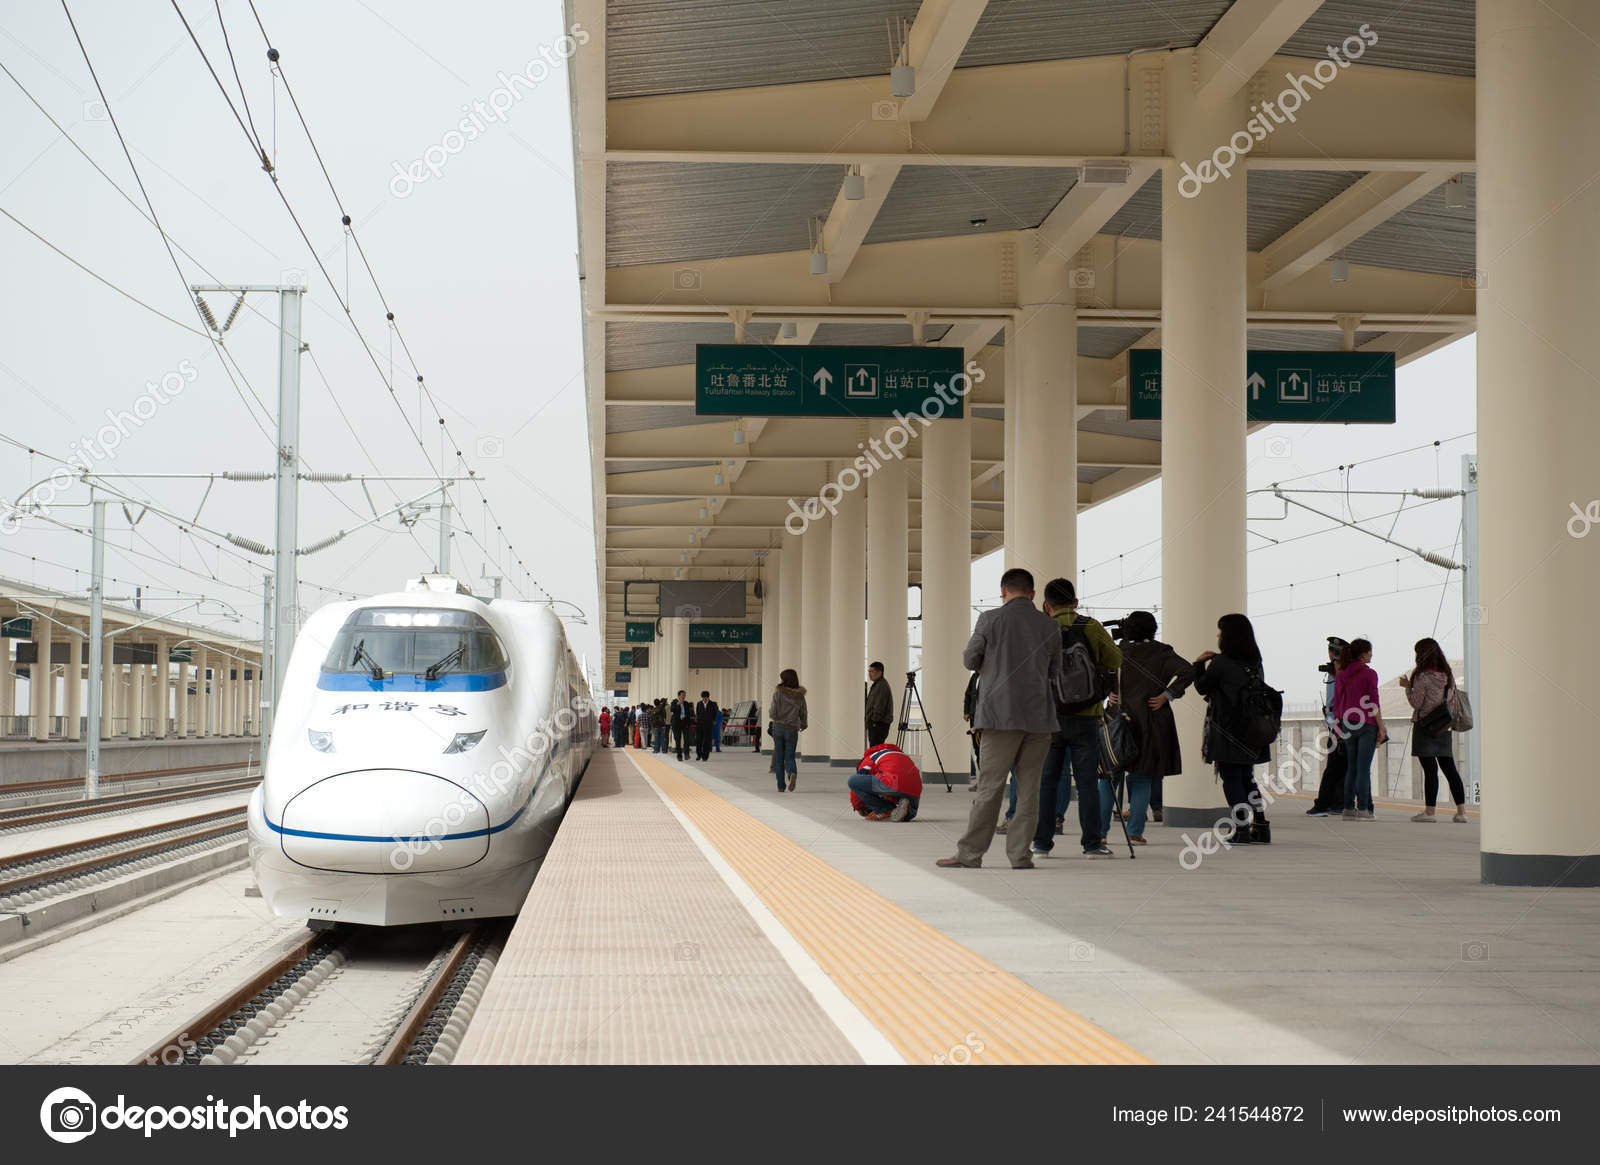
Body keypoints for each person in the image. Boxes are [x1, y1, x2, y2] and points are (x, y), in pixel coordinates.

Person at [938, 568, 1064, 870]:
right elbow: (1055, 670)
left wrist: (990, 667)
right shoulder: (1049, 625)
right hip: (1039, 717)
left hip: (998, 716)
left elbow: (970, 659)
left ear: (1003, 591)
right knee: (1029, 790)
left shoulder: (989, 619)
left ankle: (969, 854)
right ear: (1033, 594)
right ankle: (1021, 856)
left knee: (990, 788)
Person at [1035, 578, 1122, 860]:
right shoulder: (1090, 626)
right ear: (1075, 602)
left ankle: (1042, 844)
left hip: (1050, 718)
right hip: (1087, 717)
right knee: (1087, 783)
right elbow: (1116, 659)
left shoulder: (1042, 629)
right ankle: (1092, 844)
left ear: (1047, 606)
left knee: (1047, 781)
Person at [1102, 611, 1192, 845]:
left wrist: (1108, 693)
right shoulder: (1162, 652)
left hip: (1116, 719)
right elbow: (1188, 671)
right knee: (1142, 777)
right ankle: (1134, 833)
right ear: (1152, 629)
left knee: (1108, 778)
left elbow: (1097, 674)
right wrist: (1167, 694)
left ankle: (1098, 833)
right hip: (1151, 721)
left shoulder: (1116, 651)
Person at [1193, 613, 1273, 844]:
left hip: (1227, 730)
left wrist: (1198, 664)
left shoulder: (1220, 663)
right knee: (1247, 778)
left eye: (1221, 631)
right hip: (1252, 729)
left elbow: (1201, 687)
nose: (1218, 634)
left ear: (1229, 635)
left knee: (1231, 779)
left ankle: (1241, 829)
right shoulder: (1255, 662)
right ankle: (1261, 825)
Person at [1399, 637, 1467, 823]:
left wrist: (1407, 688)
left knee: (1430, 770)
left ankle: (1430, 812)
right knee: (1450, 768)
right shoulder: (1447, 675)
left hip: (1425, 726)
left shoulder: (1422, 677)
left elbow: (1416, 703)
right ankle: (1461, 813)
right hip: (1444, 726)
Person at [1333, 638, 1387, 820]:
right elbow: (1374, 702)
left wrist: (1338, 725)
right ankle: (1363, 809)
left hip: (1347, 723)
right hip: (1366, 725)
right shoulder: (1369, 674)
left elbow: (1338, 702)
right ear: (1363, 653)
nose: (1372, 654)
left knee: (1352, 767)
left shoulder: (1341, 674)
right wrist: (1381, 727)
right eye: (1370, 651)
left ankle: (1348, 808)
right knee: (1363, 768)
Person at [1306, 637, 1350, 816]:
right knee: (1341, 766)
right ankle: (1338, 803)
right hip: (1341, 723)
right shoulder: (1337, 672)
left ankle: (1324, 804)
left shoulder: (1343, 673)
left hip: (1340, 724)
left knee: (1334, 767)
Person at [849, 741, 923, 822]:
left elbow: (856, 789)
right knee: (909, 813)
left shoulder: (869, 758)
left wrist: (860, 808)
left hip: (893, 782)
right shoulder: (901, 755)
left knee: (853, 781)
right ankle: (906, 812)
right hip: (916, 788)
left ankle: (885, 810)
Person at [769, 669, 807, 791]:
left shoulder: (778, 693)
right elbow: (803, 712)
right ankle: (791, 773)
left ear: (784, 680)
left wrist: (774, 717)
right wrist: (804, 724)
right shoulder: (799, 695)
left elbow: (773, 711)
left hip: (778, 727)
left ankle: (781, 786)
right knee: (790, 756)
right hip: (792, 729)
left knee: (779, 757)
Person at [864, 662, 894, 748]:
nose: (869, 674)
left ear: (880, 672)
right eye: (869, 671)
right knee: (874, 749)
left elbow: (879, 706)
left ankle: (876, 762)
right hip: (876, 724)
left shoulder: (881, 686)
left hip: (878, 725)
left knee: (875, 749)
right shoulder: (876, 685)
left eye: (872, 671)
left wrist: (873, 721)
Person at [694, 691, 718, 762]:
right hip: (699, 725)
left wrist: (712, 720)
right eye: (703, 698)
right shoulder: (699, 704)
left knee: (707, 741)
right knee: (699, 740)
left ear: (708, 697)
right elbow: (697, 713)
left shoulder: (713, 704)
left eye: (705, 698)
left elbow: (715, 713)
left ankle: (705, 756)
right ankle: (699, 755)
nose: (704, 699)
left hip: (708, 725)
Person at [671, 691, 689, 760]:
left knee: (686, 740)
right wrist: (678, 704)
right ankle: (679, 756)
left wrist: (688, 723)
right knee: (678, 740)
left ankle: (686, 754)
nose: (684, 696)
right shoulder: (674, 702)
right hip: (676, 724)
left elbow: (688, 714)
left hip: (685, 724)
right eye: (682, 695)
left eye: (685, 695)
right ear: (678, 696)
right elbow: (672, 710)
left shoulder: (686, 703)